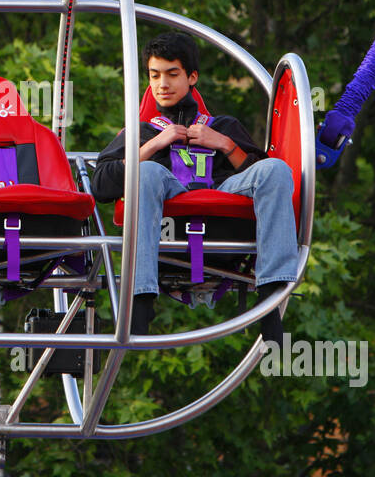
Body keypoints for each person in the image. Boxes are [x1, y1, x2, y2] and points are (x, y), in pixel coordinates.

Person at [89, 32, 297, 338]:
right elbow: (100, 186)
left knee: (277, 168)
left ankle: (269, 297)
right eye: (155, 75)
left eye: (173, 74)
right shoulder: (141, 133)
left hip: (220, 208)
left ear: (192, 77)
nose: (163, 85)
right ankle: (141, 299)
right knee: (145, 172)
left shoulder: (223, 127)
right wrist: (153, 145)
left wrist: (225, 145)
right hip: (169, 220)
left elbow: (268, 180)